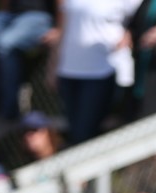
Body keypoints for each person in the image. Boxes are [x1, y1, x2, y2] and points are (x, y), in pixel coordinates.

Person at [53, 0, 138, 145]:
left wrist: (129, 36)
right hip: (68, 71)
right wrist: (53, 65)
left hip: (102, 72)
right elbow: (62, 27)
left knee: (84, 133)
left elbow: (141, 17)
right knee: (74, 130)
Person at [0, 0, 55, 122]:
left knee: (5, 44)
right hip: (10, 16)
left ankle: (10, 110)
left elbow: (63, 5)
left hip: (39, 16)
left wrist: (59, 29)